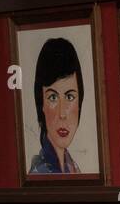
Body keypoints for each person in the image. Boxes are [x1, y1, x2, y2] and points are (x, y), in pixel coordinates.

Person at [28, 37, 83, 175]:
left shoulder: (72, 166)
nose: (62, 114)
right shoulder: (40, 173)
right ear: (41, 104)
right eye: (53, 97)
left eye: (70, 97)